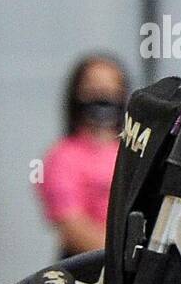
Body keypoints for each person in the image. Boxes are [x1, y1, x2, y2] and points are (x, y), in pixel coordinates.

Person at [38, 53, 129, 257]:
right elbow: (72, 228)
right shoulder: (62, 157)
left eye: (111, 91)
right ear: (77, 95)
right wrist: (126, 259)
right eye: (94, 90)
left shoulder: (134, 153)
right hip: (87, 271)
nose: (103, 97)